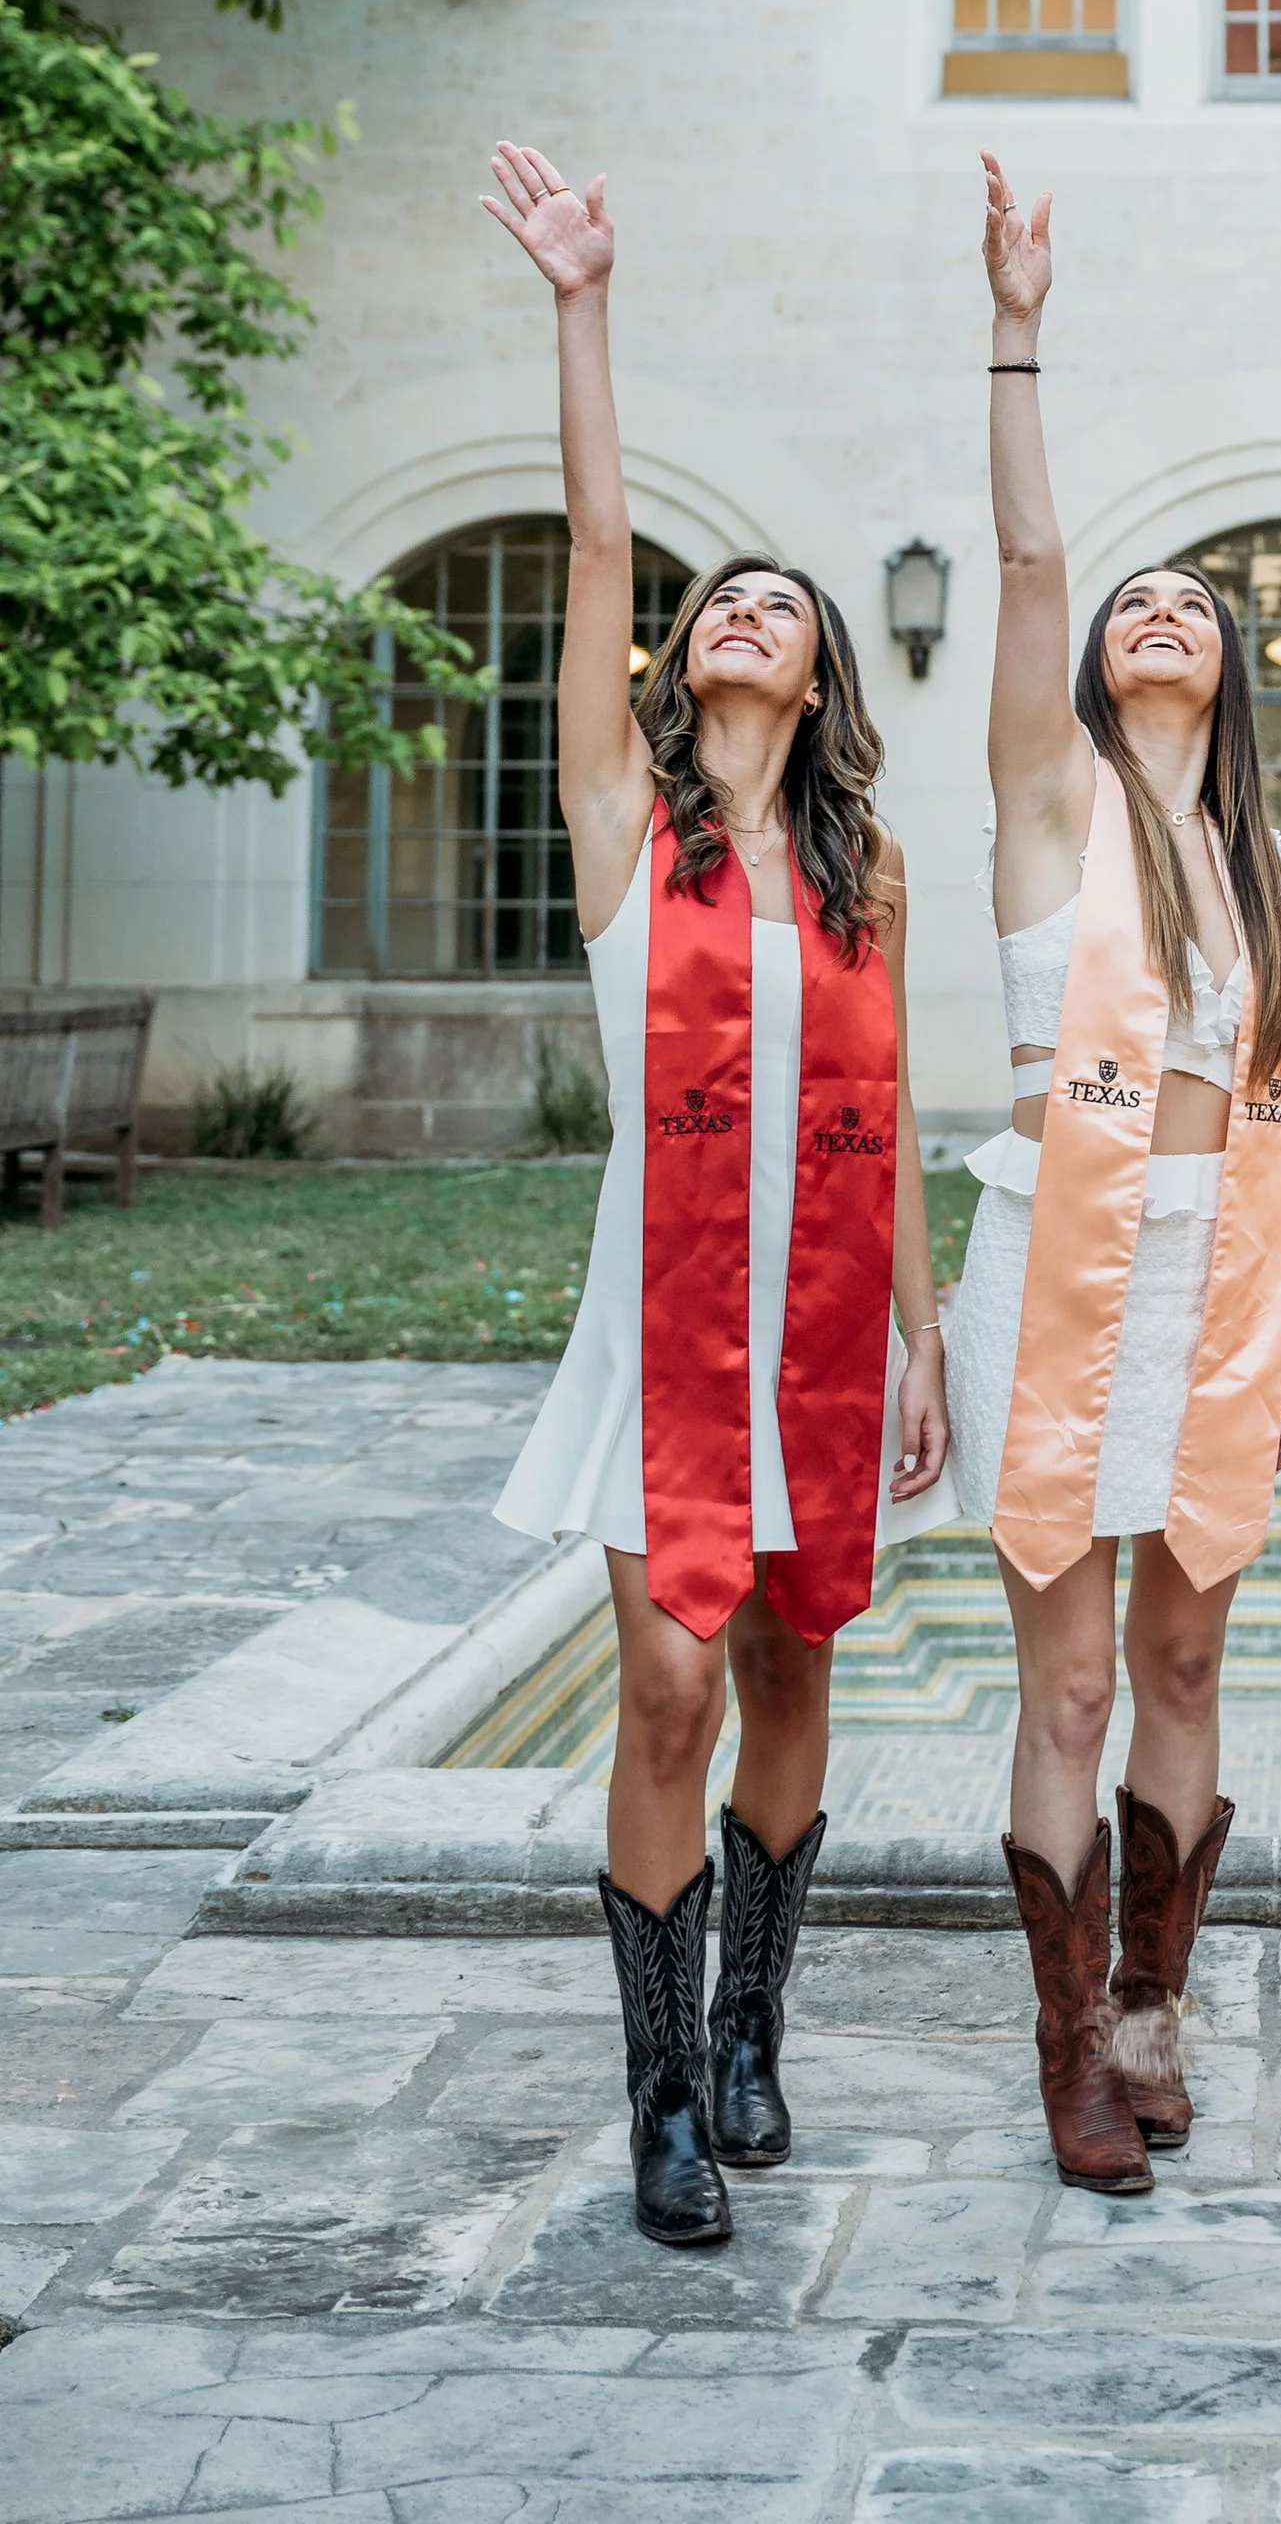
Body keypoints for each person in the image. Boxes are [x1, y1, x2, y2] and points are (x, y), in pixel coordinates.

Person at [485, 142, 951, 2252]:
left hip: (832, 1324)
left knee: (788, 1670)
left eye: (789, 601)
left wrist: (925, 1337)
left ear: (822, 675)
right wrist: (585, 300)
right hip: (657, 1329)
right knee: (666, 1684)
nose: (748, 608)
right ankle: (663, 2087)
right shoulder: (623, 833)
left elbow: (905, 1110)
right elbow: (596, 537)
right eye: (723, 599)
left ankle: (756, 2016)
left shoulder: (869, 877)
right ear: (686, 663)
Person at [947, 155, 1281, 2198]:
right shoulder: (1041, 808)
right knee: (1072, 1668)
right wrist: (1018, 324)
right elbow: (1020, 557)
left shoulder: (1265, 872)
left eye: (1196, 603)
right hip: (1051, 1260)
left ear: (1226, 672)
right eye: (1132, 604)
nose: (1155, 607)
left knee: (1186, 1659)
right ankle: (1068, 2038)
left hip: (1217, 1271)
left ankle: (1160, 2002)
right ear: (1097, 662)